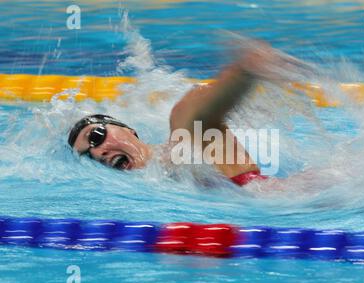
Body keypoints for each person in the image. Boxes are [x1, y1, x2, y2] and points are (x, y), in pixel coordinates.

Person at [68, 42, 293, 186]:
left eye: (96, 136)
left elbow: (195, 115)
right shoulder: (149, 184)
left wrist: (243, 74)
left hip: (283, 200)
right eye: (89, 156)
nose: (98, 153)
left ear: (129, 130)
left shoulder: (175, 151)